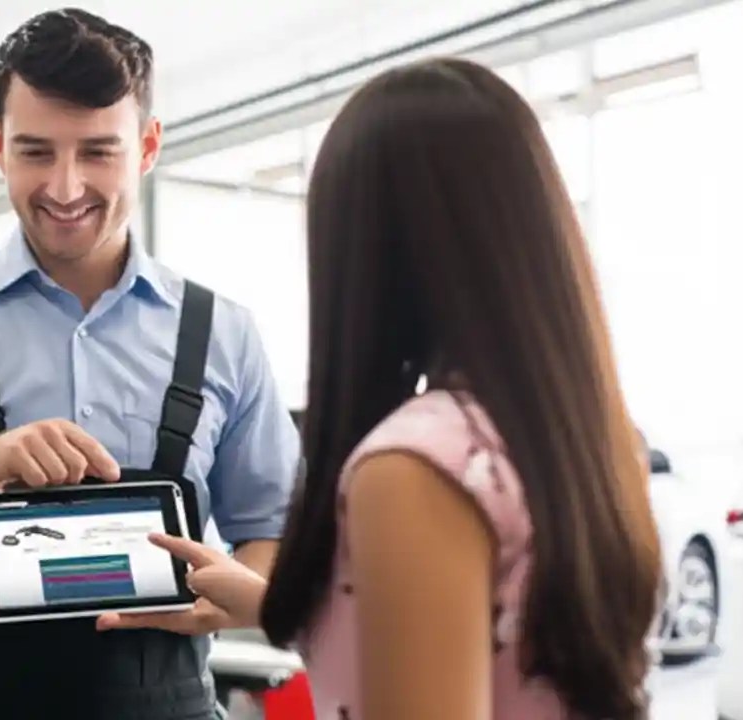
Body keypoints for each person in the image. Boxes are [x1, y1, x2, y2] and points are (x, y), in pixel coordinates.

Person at [148, 58, 664, 720]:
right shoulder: (591, 439)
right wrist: (273, 602)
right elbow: (503, 648)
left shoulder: (412, 470)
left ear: (364, 250)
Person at [0, 8, 300, 719]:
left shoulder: (224, 334)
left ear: (148, 145)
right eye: (36, 152)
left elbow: (276, 528)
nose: (65, 188)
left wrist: (232, 596)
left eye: (98, 152)